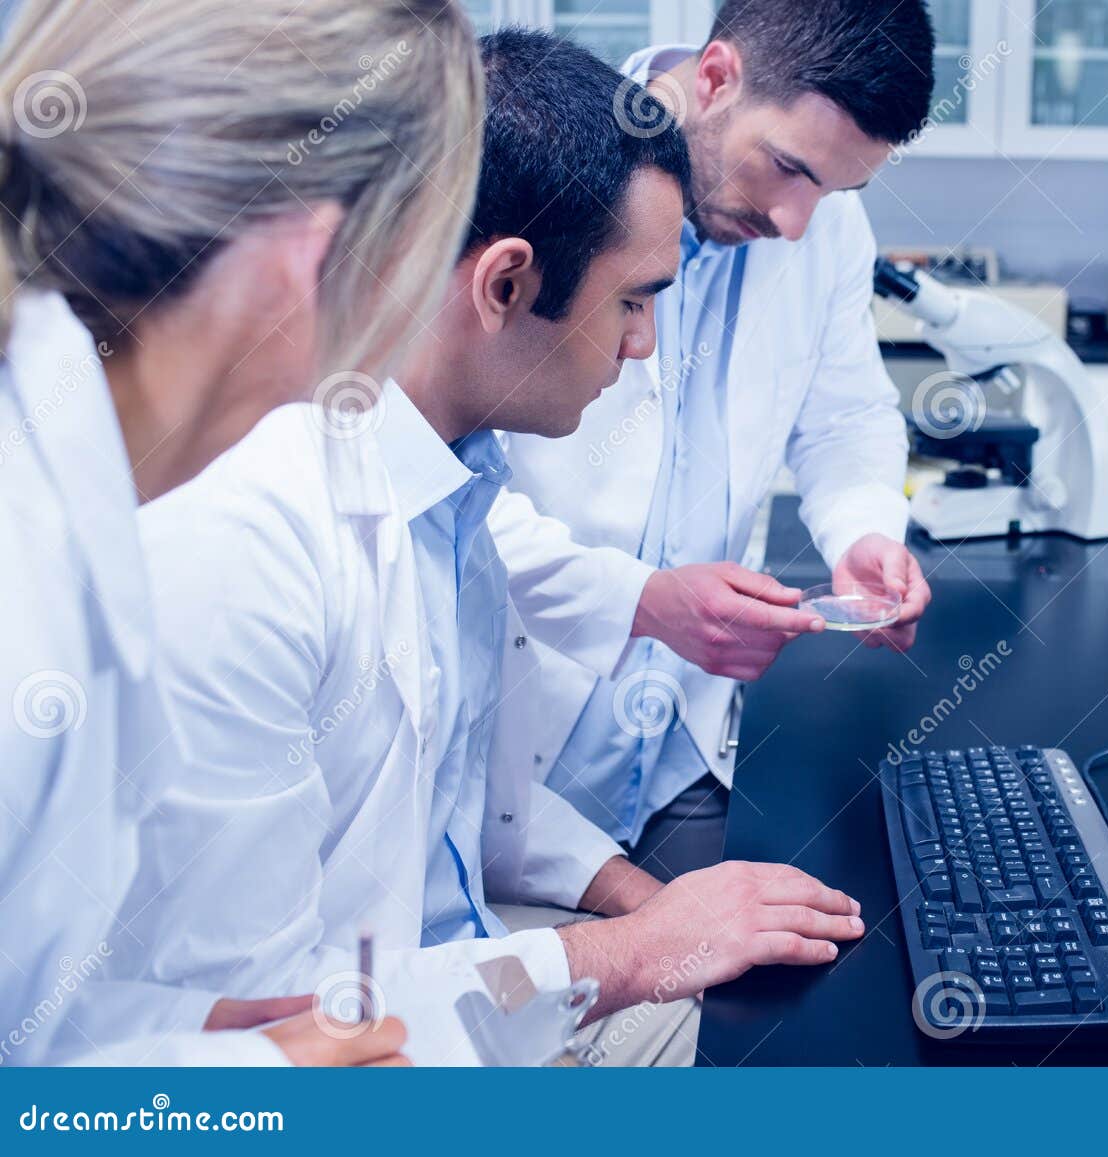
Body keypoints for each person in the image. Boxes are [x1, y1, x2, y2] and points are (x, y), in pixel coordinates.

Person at [105, 29, 863, 1068]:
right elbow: (277, 1035)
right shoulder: (254, 546)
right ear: (505, 284)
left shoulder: (452, 488)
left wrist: (646, 902)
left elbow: (458, 800)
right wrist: (638, 952)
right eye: (634, 301)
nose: (644, 347)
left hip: (453, 979)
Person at [0, 0, 483, 1065]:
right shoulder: (24, 599)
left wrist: (171, 1033)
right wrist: (242, 1080)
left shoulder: (66, 482)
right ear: (305, 267)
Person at [488, 0, 939, 882]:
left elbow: (846, 415)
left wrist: (864, 533)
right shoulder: (547, 166)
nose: (796, 222)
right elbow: (447, 489)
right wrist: (641, 599)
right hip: (519, 731)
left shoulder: (821, 225)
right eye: (788, 169)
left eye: (834, 190)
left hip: (682, 748)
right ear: (717, 77)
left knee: (762, 981)